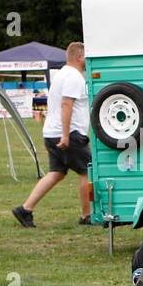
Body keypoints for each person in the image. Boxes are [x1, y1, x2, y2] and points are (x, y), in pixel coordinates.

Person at [12, 42, 92, 227]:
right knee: (88, 170)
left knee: (56, 173)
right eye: (87, 56)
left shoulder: (62, 74)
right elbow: (66, 105)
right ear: (80, 56)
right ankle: (86, 215)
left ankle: (25, 209)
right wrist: (65, 135)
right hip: (68, 134)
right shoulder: (73, 77)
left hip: (51, 132)